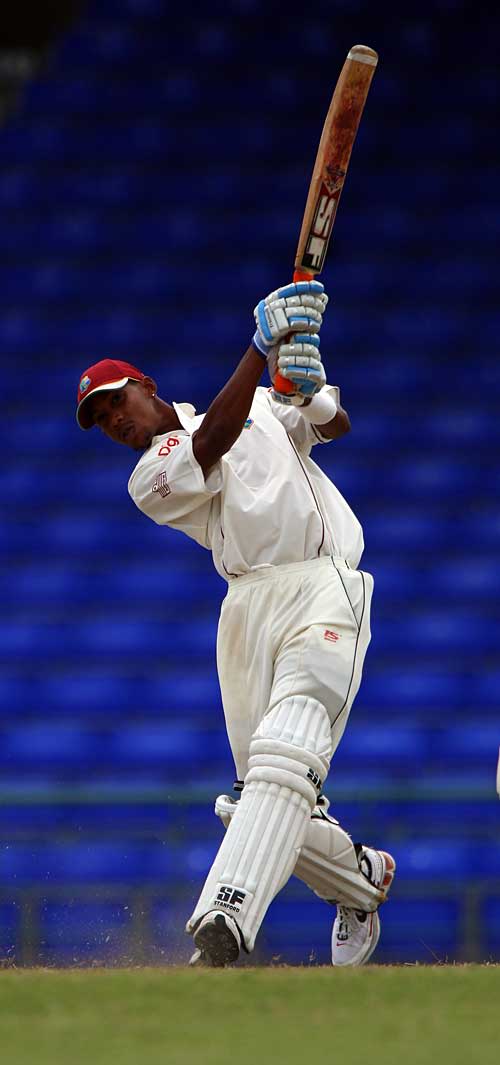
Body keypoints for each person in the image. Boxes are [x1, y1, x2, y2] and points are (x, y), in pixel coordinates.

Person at [76, 280, 395, 967]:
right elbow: (211, 441)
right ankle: (360, 881)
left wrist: (304, 391)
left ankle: (226, 916)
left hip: (320, 579)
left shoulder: (254, 405)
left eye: (116, 404)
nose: (116, 423)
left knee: (286, 755)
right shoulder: (150, 476)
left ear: (145, 384)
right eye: (103, 423)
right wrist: (259, 346)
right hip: (246, 609)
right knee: (258, 799)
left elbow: (332, 426)